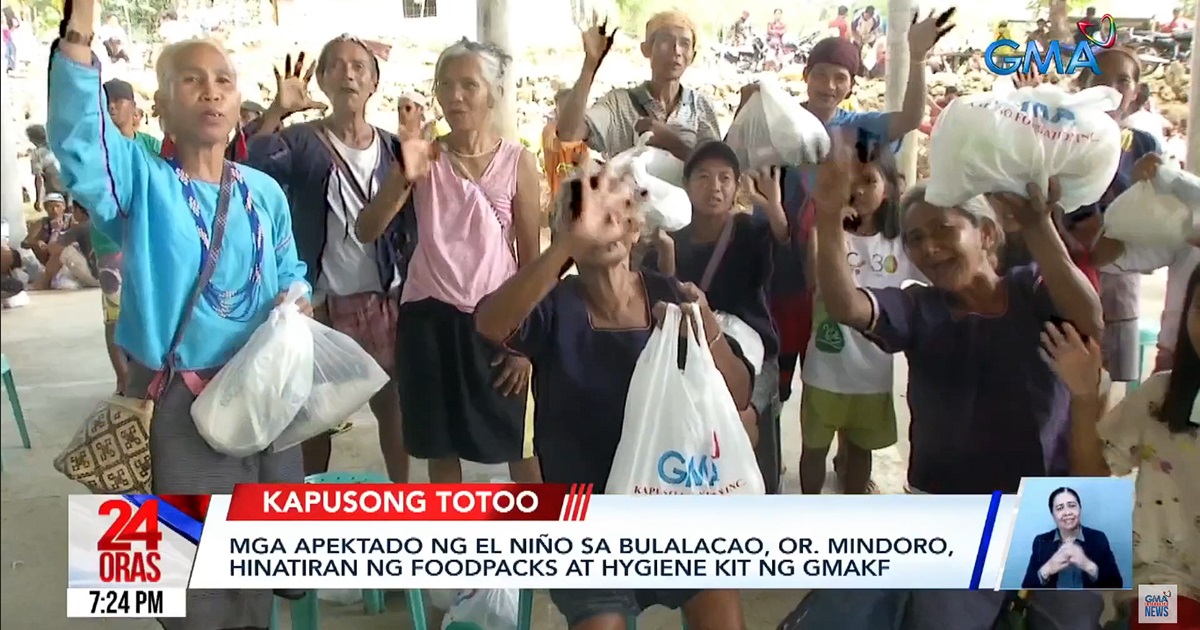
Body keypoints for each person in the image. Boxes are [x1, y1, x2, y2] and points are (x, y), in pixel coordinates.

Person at [49, 0, 309, 622]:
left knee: (266, 575)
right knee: (193, 589)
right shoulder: (141, 181)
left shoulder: (263, 192)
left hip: (265, 402)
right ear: (161, 104)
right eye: (191, 80)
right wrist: (80, 28)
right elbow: (82, 140)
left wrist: (293, 299)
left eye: (223, 80)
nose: (211, 92)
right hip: (180, 406)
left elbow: (292, 270)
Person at [814, 136, 1105, 624]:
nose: (928, 248)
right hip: (950, 508)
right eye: (914, 239)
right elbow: (847, 305)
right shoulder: (918, 307)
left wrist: (1037, 226)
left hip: (1056, 505)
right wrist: (826, 219)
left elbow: (1090, 316)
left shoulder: (1033, 289)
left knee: (1076, 618)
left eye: (943, 230)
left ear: (986, 236)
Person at [475, 164, 752, 630]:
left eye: (618, 208)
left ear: (636, 225)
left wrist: (710, 331)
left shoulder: (673, 298)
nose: (604, 219)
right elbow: (489, 325)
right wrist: (564, 246)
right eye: (587, 210)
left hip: (673, 513)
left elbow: (739, 393)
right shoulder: (553, 310)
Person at [735, 30, 942, 488]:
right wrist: (750, 102)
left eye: (841, 77)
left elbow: (910, 116)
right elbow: (743, 154)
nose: (829, 85)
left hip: (846, 268)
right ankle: (765, 467)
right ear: (805, 76)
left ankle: (851, 467)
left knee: (851, 357)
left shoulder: (858, 127)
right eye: (822, 75)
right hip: (786, 275)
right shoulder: (783, 123)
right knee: (783, 375)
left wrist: (917, 55)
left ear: (851, 83)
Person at [356, 39, 542, 485]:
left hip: (497, 324)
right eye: (446, 84)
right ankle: (451, 536)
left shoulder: (519, 162)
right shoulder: (423, 156)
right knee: (440, 450)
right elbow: (367, 229)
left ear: (493, 92)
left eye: (469, 85)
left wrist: (526, 345)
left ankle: (545, 535)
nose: (455, 96)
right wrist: (406, 170)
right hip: (428, 322)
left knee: (520, 444)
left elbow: (534, 262)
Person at [248, 36, 410, 483]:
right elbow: (247, 172)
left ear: (375, 81)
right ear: (321, 80)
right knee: (313, 414)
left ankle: (403, 495)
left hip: (383, 299)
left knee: (392, 408)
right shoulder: (301, 141)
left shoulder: (396, 149)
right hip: (319, 303)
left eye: (359, 65)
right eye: (335, 66)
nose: (348, 73)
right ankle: (309, 502)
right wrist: (276, 113)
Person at [1042, 268, 1198, 626]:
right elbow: (1092, 474)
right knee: (1161, 620)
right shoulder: (1160, 396)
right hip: (1161, 583)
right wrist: (1084, 396)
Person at [644, 141, 782, 489]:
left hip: (750, 350)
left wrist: (774, 209)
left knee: (745, 418)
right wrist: (667, 261)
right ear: (687, 185)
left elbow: (785, 253)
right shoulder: (668, 236)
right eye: (703, 177)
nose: (715, 187)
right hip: (687, 352)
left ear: (736, 186)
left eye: (724, 178)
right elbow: (661, 304)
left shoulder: (752, 234)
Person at [800, 144, 920, 495]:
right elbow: (814, 283)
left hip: (872, 374)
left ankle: (852, 512)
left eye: (870, 180)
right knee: (814, 448)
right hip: (825, 368)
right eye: (852, 180)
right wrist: (827, 226)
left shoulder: (899, 245)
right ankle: (805, 509)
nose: (859, 190)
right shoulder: (828, 234)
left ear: (891, 188)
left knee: (860, 449)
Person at [1069, 49, 1161, 385]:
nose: (1112, 88)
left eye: (1123, 81)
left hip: (1121, 276)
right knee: (1066, 375)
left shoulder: (1143, 145)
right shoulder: (1061, 139)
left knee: (1114, 384)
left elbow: (1155, 213)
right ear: (1083, 86)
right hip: (1067, 268)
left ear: (1135, 93)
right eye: (1100, 79)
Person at [556, 12, 720, 161]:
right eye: (666, 41)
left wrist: (672, 142)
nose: (676, 50)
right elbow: (568, 133)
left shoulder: (701, 107)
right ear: (646, 49)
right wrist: (590, 65)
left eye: (684, 43)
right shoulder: (619, 104)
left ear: (693, 56)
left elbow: (717, 168)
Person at [1020, 486, 1124, 588]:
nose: (1067, 512)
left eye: (1072, 505)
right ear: (1052, 514)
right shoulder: (1041, 541)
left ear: (1080, 508)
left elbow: (1116, 584)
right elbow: (1026, 587)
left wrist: (1088, 565)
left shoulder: (1098, 538)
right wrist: (1048, 568)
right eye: (1060, 508)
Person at [542, 88, 589, 203]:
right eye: (562, 107)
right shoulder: (549, 130)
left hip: (576, 196)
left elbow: (584, 161)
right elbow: (556, 145)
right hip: (557, 194)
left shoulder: (582, 132)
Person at [105, 79, 162, 154]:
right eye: (107, 102)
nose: (111, 106)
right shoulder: (102, 146)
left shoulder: (152, 146)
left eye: (117, 100)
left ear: (133, 105)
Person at [26, 124, 64, 212]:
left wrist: (39, 200)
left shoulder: (37, 153)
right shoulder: (57, 146)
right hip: (68, 184)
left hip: (54, 187)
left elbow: (39, 178)